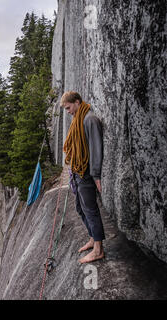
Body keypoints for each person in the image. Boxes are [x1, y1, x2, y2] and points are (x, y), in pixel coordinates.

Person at [62, 91, 105, 264]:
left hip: (86, 173)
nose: (68, 112)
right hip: (78, 172)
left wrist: (96, 175)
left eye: (69, 107)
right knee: (80, 208)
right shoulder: (78, 120)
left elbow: (96, 148)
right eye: (65, 109)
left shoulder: (89, 120)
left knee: (90, 209)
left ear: (77, 102)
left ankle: (98, 249)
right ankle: (92, 237)